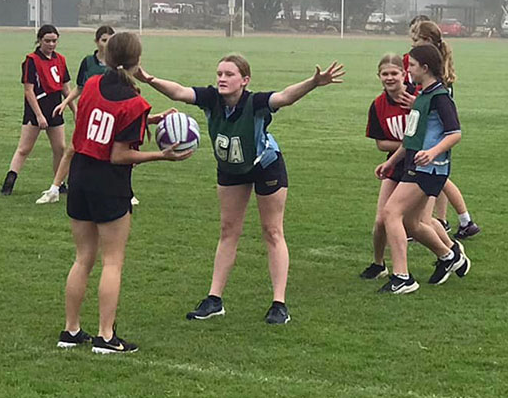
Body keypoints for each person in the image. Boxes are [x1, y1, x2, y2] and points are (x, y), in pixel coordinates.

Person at [137, 54, 345, 324]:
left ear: (245, 80)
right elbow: (178, 92)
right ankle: (214, 300)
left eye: (229, 74)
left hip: (265, 166)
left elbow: (284, 97)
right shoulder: (211, 99)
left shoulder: (255, 103)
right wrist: (149, 79)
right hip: (230, 168)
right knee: (228, 230)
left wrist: (314, 82)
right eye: (219, 73)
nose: (222, 78)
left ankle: (279, 304)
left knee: (272, 231)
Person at [58, 32, 192, 354]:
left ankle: (71, 330)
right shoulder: (135, 102)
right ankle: (106, 336)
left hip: (79, 176)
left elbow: (99, 126)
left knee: (82, 258)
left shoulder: (90, 85)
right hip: (109, 183)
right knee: (112, 261)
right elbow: (118, 154)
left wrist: (153, 118)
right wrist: (161, 156)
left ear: (106, 56)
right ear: (138, 60)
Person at [375, 45, 471, 294]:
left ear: (425, 68)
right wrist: (391, 162)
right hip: (415, 165)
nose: (409, 71)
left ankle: (402, 277)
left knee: (390, 213)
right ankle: (449, 256)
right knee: (412, 222)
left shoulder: (440, 97)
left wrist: (433, 152)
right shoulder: (423, 96)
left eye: (412, 66)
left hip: (430, 169)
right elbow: (412, 138)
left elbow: (455, 134)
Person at [408, 20, 481, 240]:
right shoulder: (438, 66)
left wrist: (415, 103)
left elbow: (444, 116)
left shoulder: (434, 75)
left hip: (435, 139)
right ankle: (453, 221)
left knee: (434, 179)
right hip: (434, 139)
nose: (412, 44)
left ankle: (431, 226)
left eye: (416, 40)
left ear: (427, 41)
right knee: (439, 180)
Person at [37, 25, 114, 204]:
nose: (107, 44)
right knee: (72, 149)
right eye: (104, 40)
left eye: (111, 40)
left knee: (114, 153)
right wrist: (65, 103)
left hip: (110, 114)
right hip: (89, 113)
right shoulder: (88, 62)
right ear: (96, 41)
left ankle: (127, 192)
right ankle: (55, 189)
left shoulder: (117, 65)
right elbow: (79, 87)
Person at [1, 25, 71, 195]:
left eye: (54, 41)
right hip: (37, 109)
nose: (51, 44)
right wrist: (39, 115)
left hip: (55, 108)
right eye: (47, 41)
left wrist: (75, 110)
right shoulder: (31, 61)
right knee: (24, 148)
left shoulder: (60, 60)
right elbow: (28, 90)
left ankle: (59, 183)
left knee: (60, 148)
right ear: (39, 40)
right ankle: (9, 182)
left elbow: (66, 89)